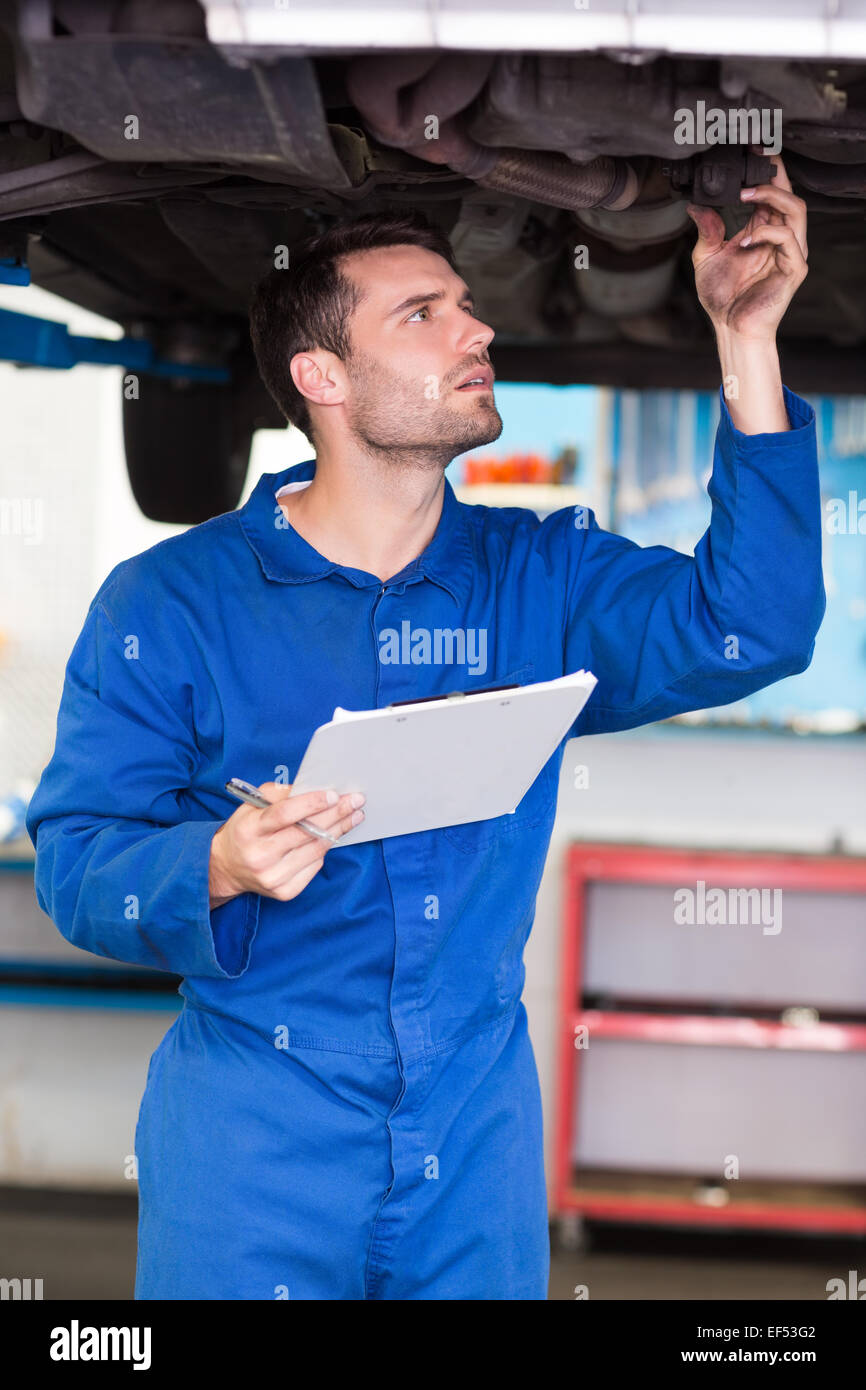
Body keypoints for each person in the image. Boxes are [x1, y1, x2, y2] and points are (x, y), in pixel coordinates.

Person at [26, 156, 824, 1300]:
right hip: (256, 1137)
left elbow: (752, 625)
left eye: (464, 302)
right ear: (322, 376)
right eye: (424, 313)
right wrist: (211, 862)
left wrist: (745, 342)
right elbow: (75, 867)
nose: (477, 328)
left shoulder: (541, 576)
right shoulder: (170, 605)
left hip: (474, 1138)